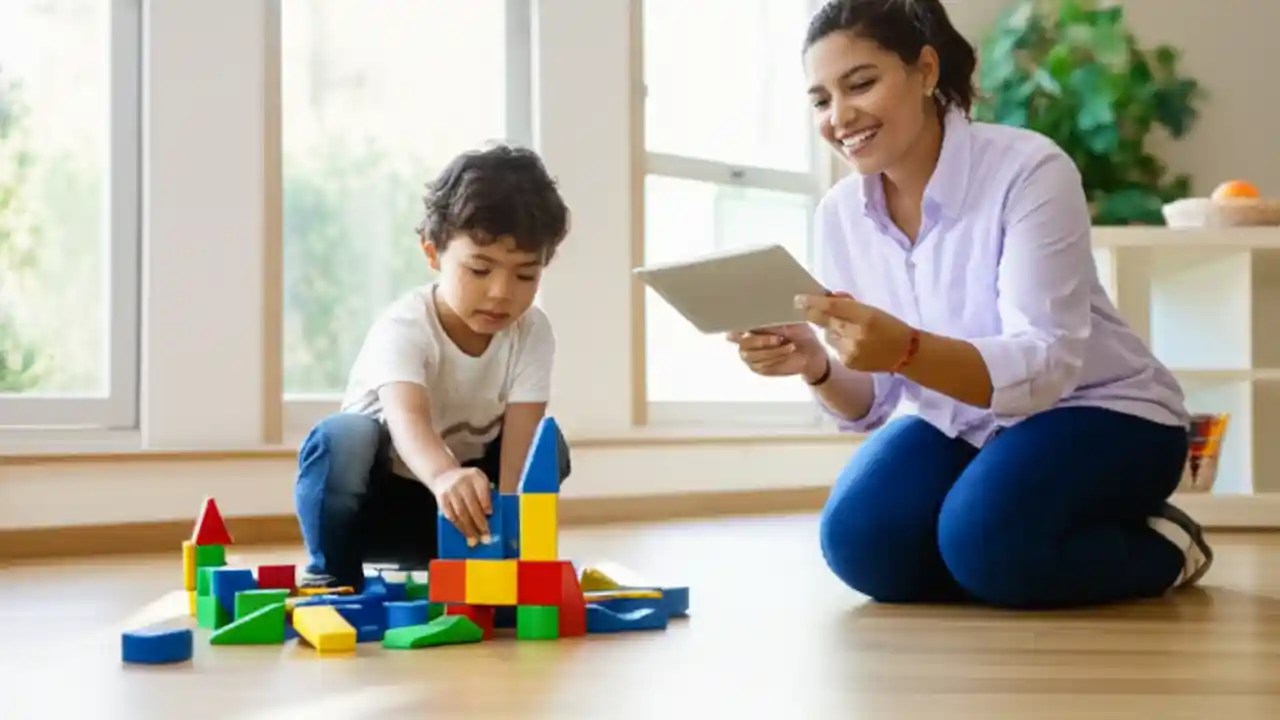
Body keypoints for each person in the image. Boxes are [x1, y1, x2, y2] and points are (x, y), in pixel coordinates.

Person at [727, 0, 1211, 610]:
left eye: (861, 84)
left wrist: (904, 349)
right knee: (862, 545)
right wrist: (816, 365)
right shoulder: (841, 214)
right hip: (969, 423)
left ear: (926, 71)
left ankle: (1165, 545)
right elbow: (872, 403)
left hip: (1102, 411)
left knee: (989, 544)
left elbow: (1045, 364)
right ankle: (1001, 543)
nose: (840, 117)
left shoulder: (1028, 168)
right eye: (821, 100)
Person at [293, 144, 572, 590]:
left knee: (548, 446)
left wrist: (508, 543)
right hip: (376, 511)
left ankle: (496, 558)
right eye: (480, 269)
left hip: (455, 523)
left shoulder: (532, 333)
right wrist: (444, 475)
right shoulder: (404, 326)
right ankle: (331, 572)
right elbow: (408, 421)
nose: (502, 292)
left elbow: (520, 456)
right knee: (344, 437)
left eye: (525, 276)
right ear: (432, 253)